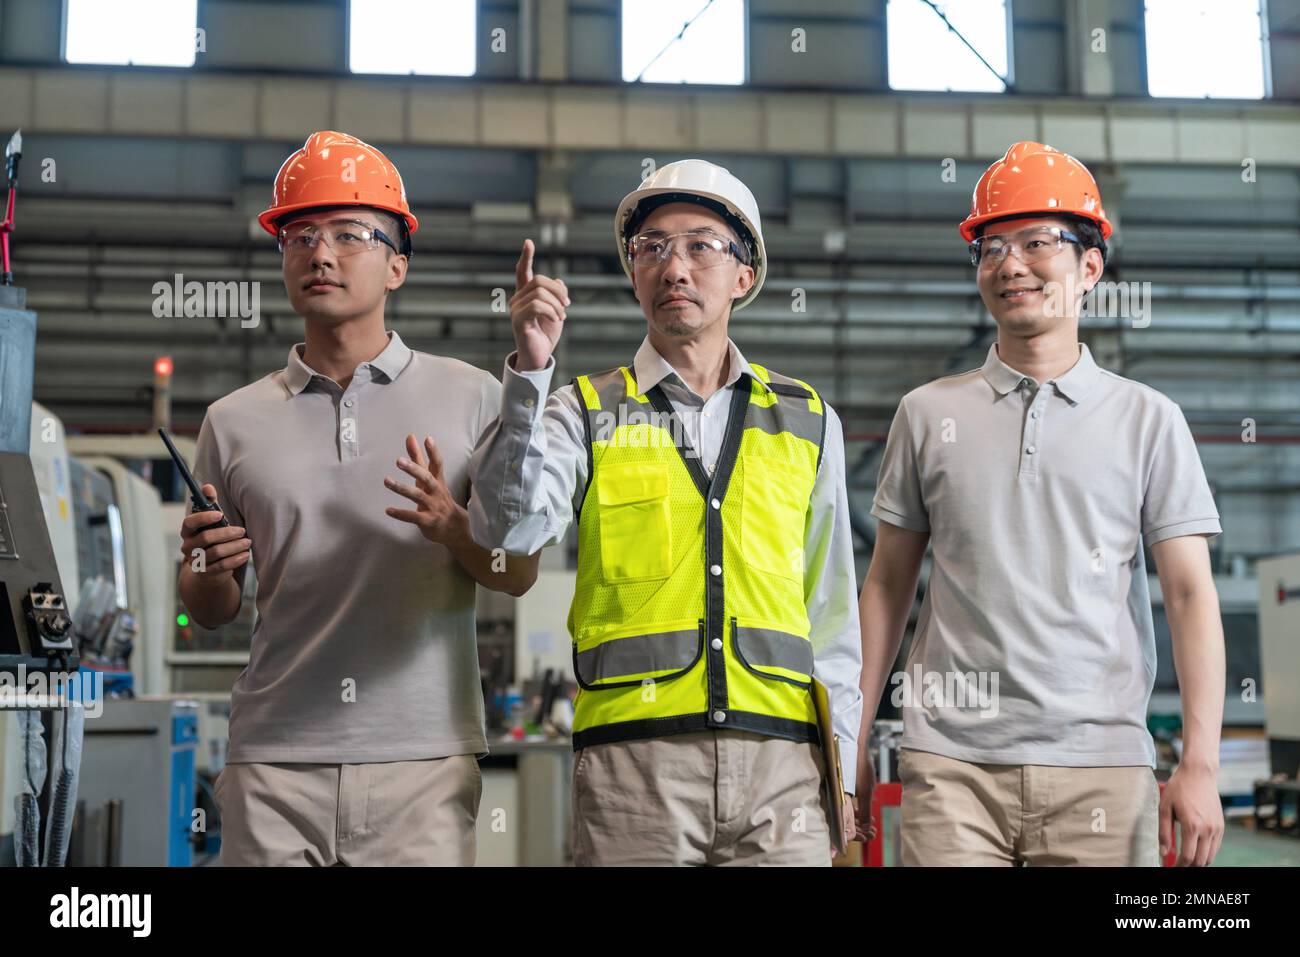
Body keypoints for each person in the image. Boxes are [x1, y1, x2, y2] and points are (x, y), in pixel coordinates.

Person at [469, 159, 862, 865]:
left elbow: (831, 612)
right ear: (633, 273)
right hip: (633, 768)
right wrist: (529, 375)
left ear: (744, 275)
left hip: (782, 769)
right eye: (651, 248)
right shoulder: (583, 409)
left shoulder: (805, 419)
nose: (673, 266)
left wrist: (840, 766)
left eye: (699, 246)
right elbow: (508, 528)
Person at [855, 141, 1226, 866]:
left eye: (1037, 242)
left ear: (1090, 267)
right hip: (951, 767)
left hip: (1104, 768)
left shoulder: (1148, 419)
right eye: (992, 247)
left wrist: (1201, 765)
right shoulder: (928, 414)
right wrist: (853, 735)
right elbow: (888, 584)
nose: (1010, 264)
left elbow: (1188, 594)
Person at [180, 131, 538, 866]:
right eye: (301, 235)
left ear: (396, 264)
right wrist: (210, 572)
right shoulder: (233, 420)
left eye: (350, 234)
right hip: (272, 762)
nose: (321, 253)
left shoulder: (474, 395)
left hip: (423, 762)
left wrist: (456, 529)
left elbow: (517, 571)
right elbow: (210, 610)